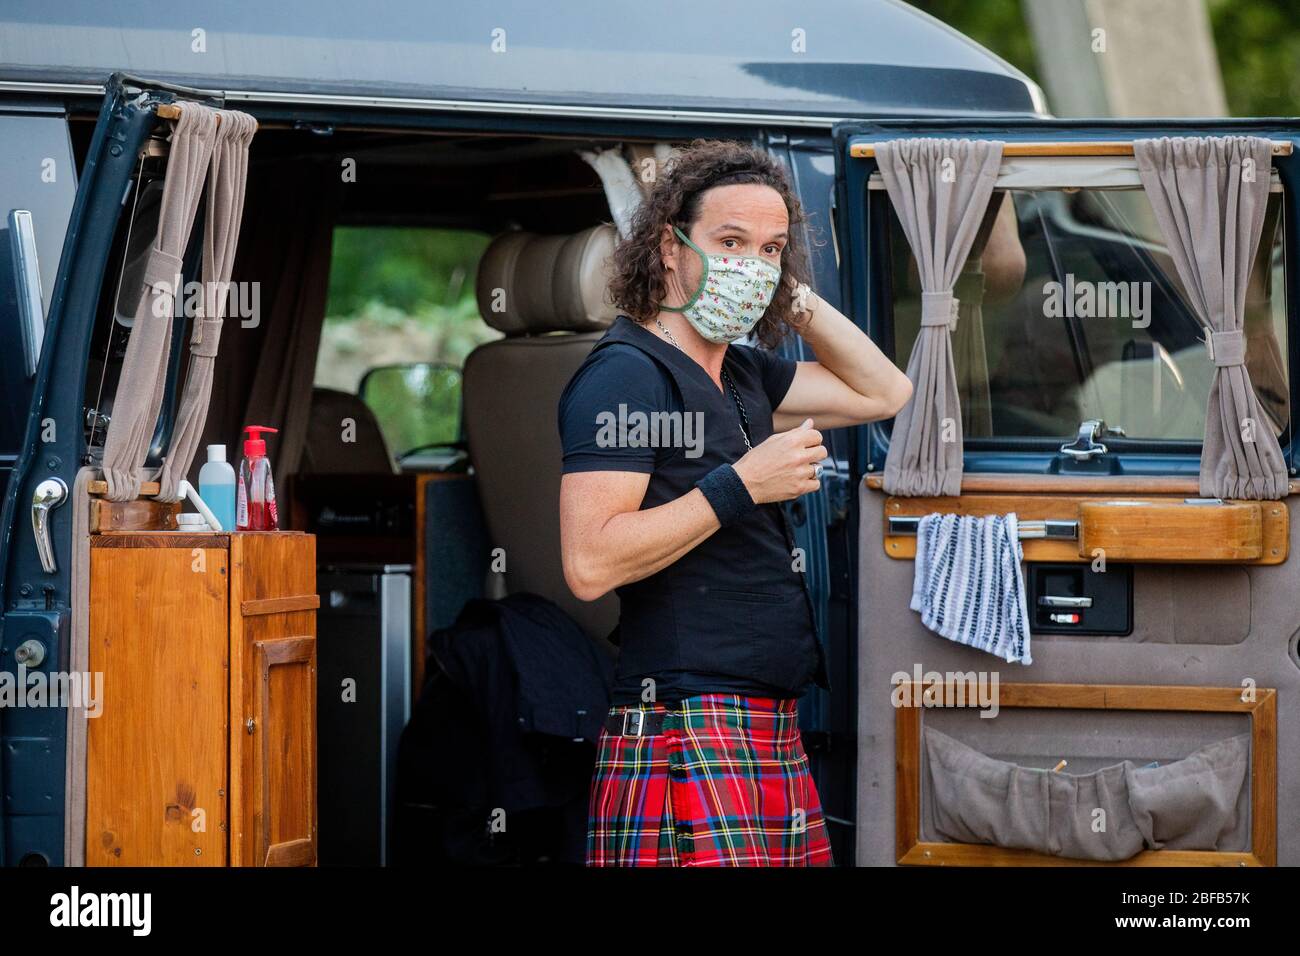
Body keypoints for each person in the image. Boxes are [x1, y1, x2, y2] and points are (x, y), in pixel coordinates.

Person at [557, 139, 913, 866]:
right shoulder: (626, 376)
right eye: (730, 242)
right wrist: (741, 485)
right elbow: (590, 562)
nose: (750, 264)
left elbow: (886, 392)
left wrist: (790, 295)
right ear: (670, 248)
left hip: (764, 722)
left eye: (772, 248)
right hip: (684, 722)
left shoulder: (745, 371)